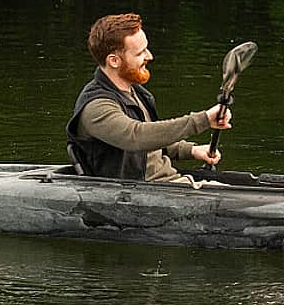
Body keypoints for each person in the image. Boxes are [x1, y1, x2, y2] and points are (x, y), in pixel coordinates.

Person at [66, 12, 232, 181]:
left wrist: (190, 150)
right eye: (140, 53)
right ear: (114, 61)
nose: (149, 56)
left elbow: (151, 141)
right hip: (141, 194)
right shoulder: (96, 108)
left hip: (168, 185)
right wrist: (203, 120)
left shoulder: (135, 92)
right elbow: (136, 137)